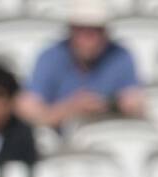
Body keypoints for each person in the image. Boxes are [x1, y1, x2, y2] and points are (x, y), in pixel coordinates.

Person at [18, 0, 145, 130]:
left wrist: (107, 104)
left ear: (106, 32)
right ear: (71, 30)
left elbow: (135, 102)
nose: (89, 38)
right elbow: (27, 108)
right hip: (62, 144)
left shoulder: (120, 56)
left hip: (109, 137)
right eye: (82, 30)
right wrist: (69, 108)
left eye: (96, 30)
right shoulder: (50, 57)